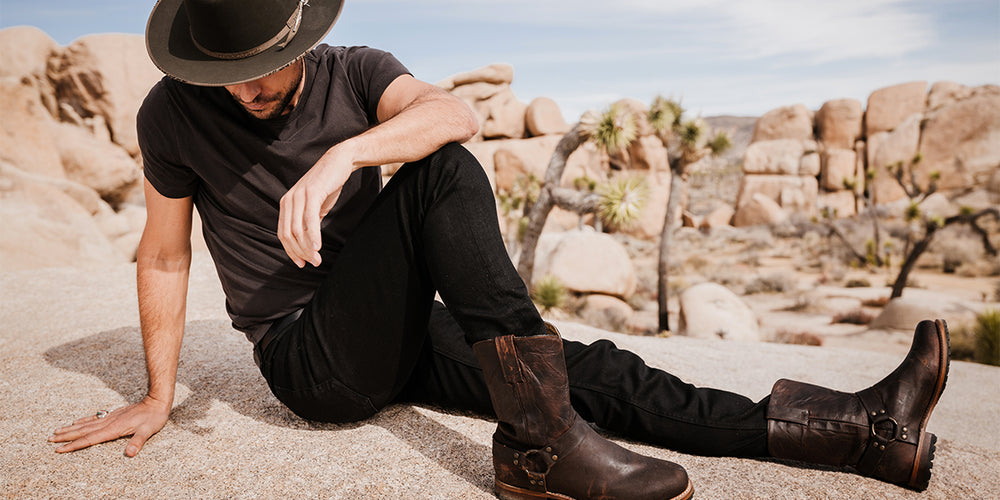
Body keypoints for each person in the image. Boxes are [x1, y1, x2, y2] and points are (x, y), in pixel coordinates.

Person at [48, 1, 950, 498]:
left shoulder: (356, 70)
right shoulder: (171, 114)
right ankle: (541, 447)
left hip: (397, 327)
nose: (246, 89)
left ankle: (863, 434)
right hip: (308, 357)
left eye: (263, 67)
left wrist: (345, 155)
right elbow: (163, 254)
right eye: (229, 73)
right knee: (441, 176)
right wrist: (158, 396)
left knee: (594, 371)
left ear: (302, 36)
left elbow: (452, 112)